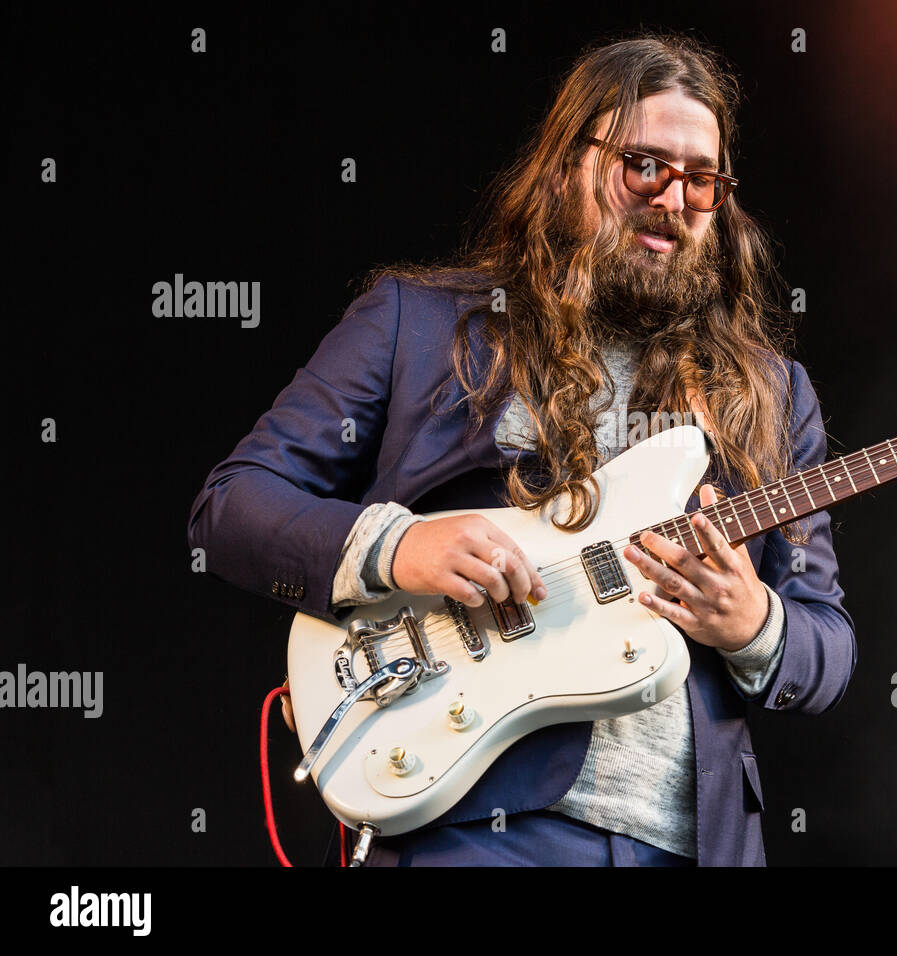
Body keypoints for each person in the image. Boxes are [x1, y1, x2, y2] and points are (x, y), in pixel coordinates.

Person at [188, 31, 856, 867]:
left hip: (689, 842)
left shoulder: (770, 390)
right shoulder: (416, 323)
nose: (675, 197)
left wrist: (754, 623)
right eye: (645, 165)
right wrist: (399, 546)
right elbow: (233, 506)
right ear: (569, 163)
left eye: (703, 179)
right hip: (467, 821)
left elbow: (826, 647)